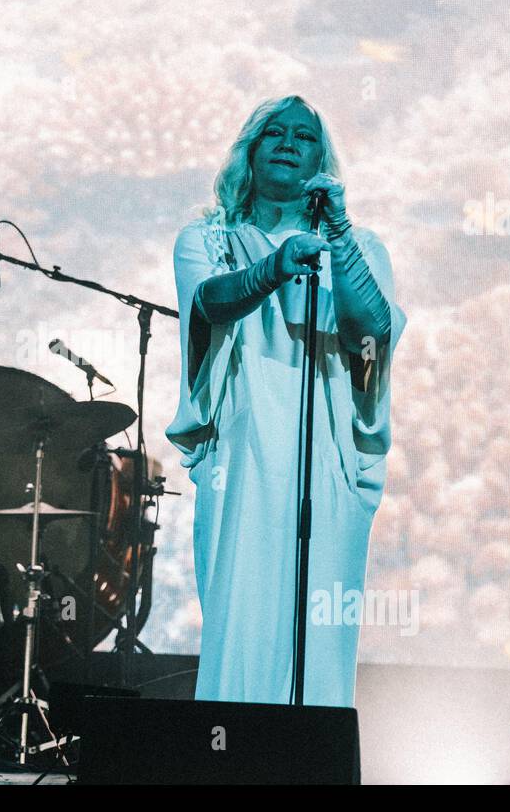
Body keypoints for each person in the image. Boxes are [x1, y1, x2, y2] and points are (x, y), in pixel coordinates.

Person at [165, 95, 407, 707]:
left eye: (304, 136)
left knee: (319, 628)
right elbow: (210, 303)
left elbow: (370, 329)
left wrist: (339, 235)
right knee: (242, 616)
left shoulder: (359, 245)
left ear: (321, 159)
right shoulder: (207, 238)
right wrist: (274, 266)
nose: (288, 142)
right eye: (273, 132)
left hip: (324, 454)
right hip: (241, 453)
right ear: (249, 150)